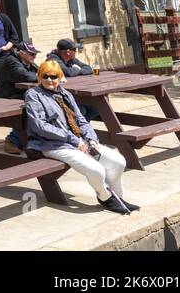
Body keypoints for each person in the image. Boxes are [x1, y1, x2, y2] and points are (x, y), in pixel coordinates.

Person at [25, 60, 136, 214]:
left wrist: (91, 139)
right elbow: (40, 125)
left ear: (60, 77)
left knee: (118, 162)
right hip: (52, 144)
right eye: (45, 76)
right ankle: (105, 197)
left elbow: (81, 119)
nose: (49, 80)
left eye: (54, 76)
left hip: (80, 141)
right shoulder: (34, 95)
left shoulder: (65, 94)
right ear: (39, 77)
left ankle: (117, 197)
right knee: (97, 170)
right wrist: (74, 140)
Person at [0, 41, 40, 154]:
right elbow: (26, 76)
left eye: (35, 54)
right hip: (7, 97)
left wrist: (46, 74)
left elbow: (40, 72)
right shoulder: (11, 62)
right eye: (32, 54)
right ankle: (12, 140)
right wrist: (46, 76)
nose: (34, 56)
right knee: (32, 108)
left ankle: (33, 138)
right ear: (21, 53)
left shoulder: (28, 62)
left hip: (19, 94)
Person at [47, 39, 100, 120]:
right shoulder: (53, 59)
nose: (76, 51)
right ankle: (78, 129)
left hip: (71, 93)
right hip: (56, 96)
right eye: (75, 50)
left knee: (96, 108)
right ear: (68, 52)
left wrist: (77, 70)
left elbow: (88, 68)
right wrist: (77, 69)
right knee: (81, 110)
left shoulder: (71, 59)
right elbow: (68, 72)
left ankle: (81, 128)